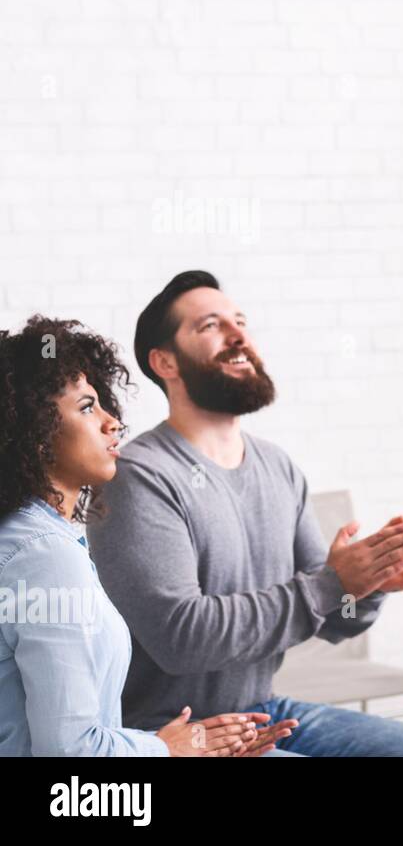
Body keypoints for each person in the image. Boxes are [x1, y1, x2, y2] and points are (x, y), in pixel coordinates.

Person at [86, 272, 403, 757]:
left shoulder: (277, 467)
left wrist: (368, 585)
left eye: (240, 321)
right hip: (174, 732)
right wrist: (333, 583)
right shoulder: (138, 477)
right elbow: (182, 638)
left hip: (262, 709)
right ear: (165, 362)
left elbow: (333, 621)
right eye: (210, 326)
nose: (238, 334)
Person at [0, 315, 290, 756]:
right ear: (35, 432)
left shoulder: (31, 539)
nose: (111, 422)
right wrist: (168, 750)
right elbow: (69, 754)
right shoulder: (45, 556)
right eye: (86, 407)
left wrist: (175, 745)